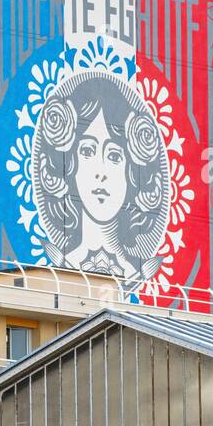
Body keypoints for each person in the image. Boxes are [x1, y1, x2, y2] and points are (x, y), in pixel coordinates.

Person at [31, 71, 170, 291]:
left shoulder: (138, 271)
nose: (101, 172)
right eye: (87, 150)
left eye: (114, 156)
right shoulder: (61, 264)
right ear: (70, 164)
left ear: (132, 173)